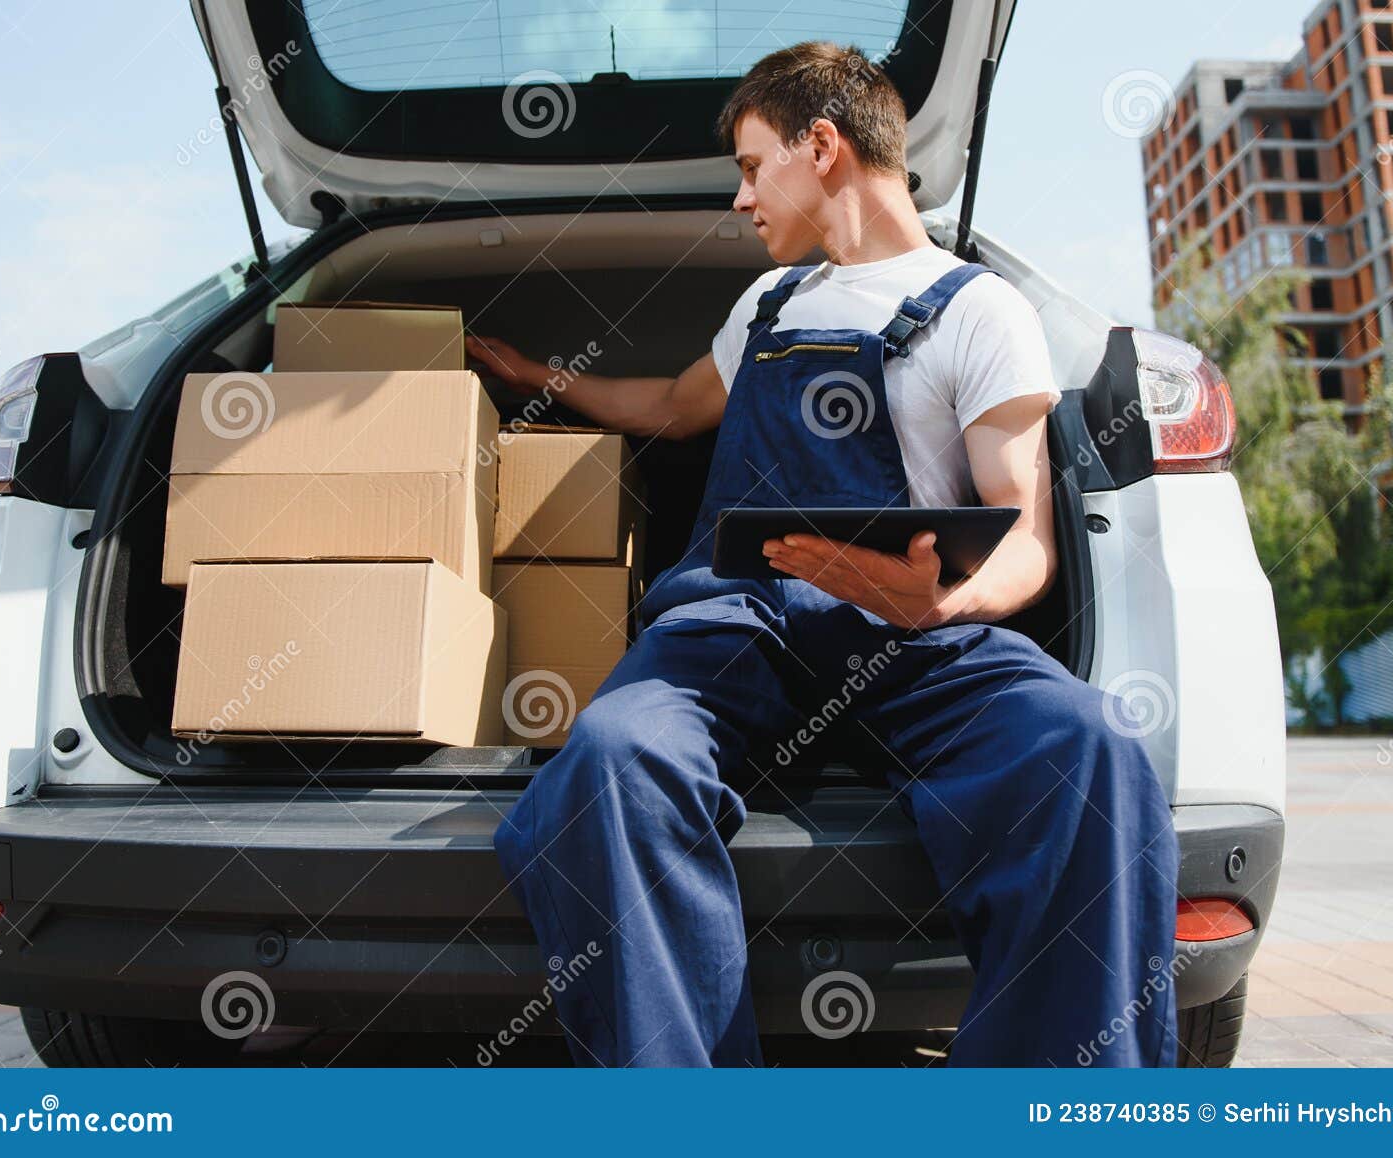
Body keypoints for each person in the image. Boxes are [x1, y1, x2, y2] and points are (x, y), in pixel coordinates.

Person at [466, 41, 1178, 1068]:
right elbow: (669, 409)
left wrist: (942, 606)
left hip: (912, 636)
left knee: (1089, 748)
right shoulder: (765, 307)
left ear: (823, 146)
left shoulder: (977, 309)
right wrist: (536, 375)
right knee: (610, 762)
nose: (743, 200)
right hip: (734, 623)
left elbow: (1023, 533)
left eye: (753, 168)